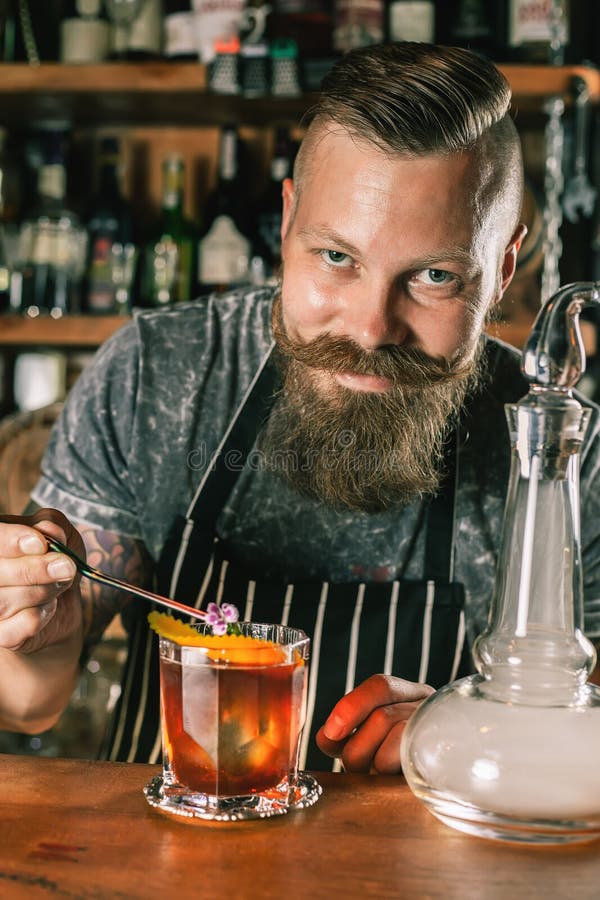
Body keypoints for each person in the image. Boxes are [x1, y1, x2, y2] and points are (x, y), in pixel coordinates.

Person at [1, 42, 599, 774]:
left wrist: (477, 727)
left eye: (436, 275)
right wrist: (34, 631)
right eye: (336, 257)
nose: (372, 327)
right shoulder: (158, 373)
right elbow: (30, 700)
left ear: (504, 267)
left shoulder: (557, 451)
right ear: (287, 224)